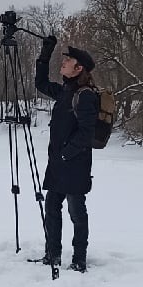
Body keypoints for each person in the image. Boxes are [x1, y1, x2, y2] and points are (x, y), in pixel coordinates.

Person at [35, 34, 99, 271]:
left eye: (68, 60)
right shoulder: (65, 91)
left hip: (74, 166)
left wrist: (65, 154)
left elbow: (86, 133)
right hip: (58, 164)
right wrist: (45, 53)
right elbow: (41, 84)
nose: (63, 63)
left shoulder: (85, 96)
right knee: (51, 208)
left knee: (76, 212)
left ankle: (79, 259)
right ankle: (52, 254)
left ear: (79, 67)